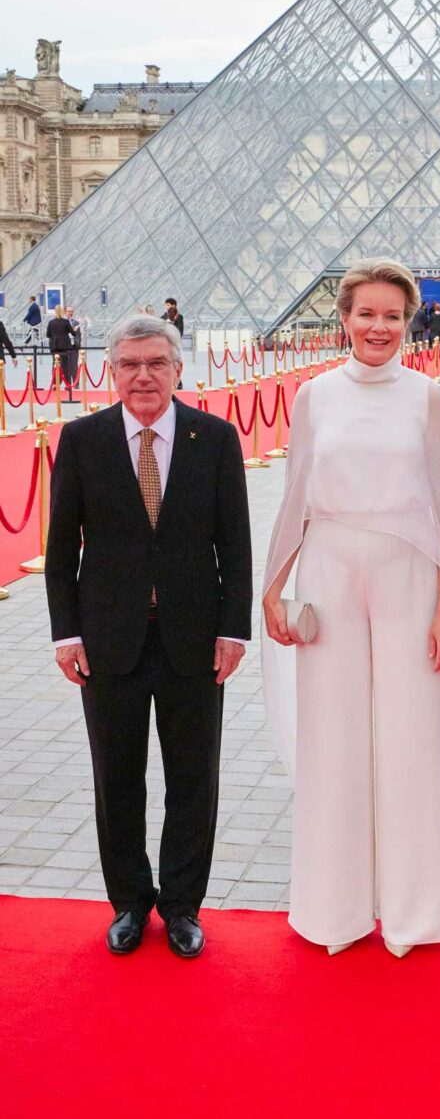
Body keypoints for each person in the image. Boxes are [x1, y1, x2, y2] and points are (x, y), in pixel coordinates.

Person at [261, 258, 440, 957]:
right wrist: (273, 584)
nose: (378, 326)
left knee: (413, 742)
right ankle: (335, 908)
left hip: (412, 575)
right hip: (328, 574)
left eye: (392, 315)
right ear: (344, 318)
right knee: (334, 743)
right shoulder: (316, 395)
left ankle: (414, 912)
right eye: (366, 313)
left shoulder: (427, 398)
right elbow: (295, 492)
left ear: (408, 322)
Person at [45, 315, 252, 958]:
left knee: (194, 778)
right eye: (130, 364)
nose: (142, 376)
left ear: (177, 368)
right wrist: (65, 634)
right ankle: (130, 903)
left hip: (194, 637)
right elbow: (60, 552)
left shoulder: (214, 438)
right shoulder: (81, 440)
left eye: (155, 363)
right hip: (109, 641)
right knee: (118, 778)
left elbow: (235, 543)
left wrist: (234, 630)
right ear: (111, 369)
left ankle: (184, 906)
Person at [46, 305, 75, 391]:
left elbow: (48, 335)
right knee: (65, 365)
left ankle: (55, 383)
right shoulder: (65, 322)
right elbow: (73, 333)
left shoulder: (51, 322)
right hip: (64, 346)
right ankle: (67, 383)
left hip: (54, 346)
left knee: (55, 365)